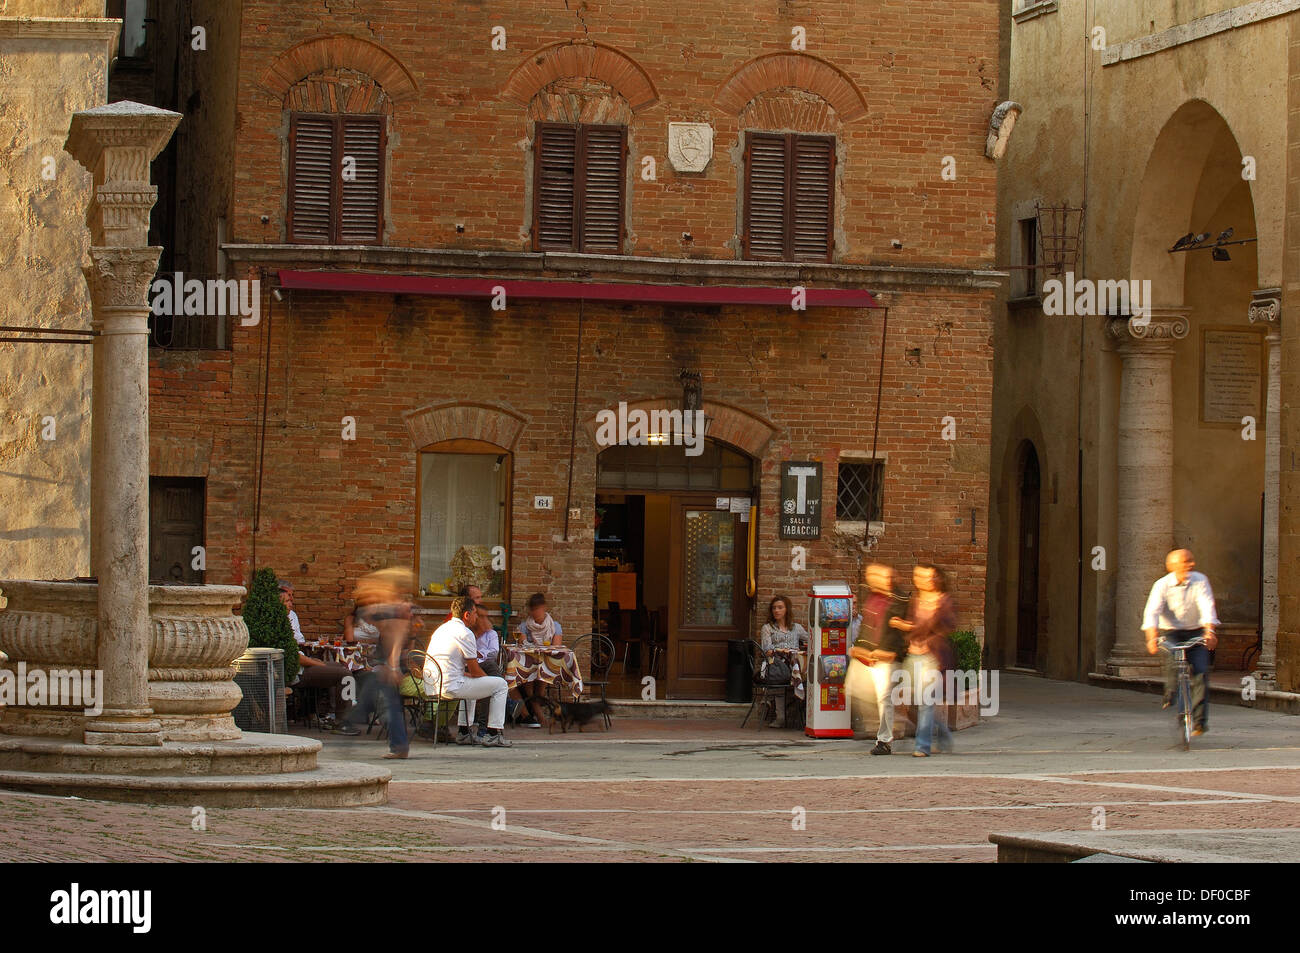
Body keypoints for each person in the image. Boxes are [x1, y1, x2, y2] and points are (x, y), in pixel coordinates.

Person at [1143, 548, 1218, 736]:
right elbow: (1152, 612)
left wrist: (1209, 632)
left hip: (1196, 631)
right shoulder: (1161, 585)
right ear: (1172, 566)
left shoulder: (1200, 580)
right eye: (1186, 562)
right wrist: (1151, 637)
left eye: (1191, 560)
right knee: (1174, 662)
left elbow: (1207, 606)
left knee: (1200, 673)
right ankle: (1170, 693)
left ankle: (1199, 722)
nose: (1191, 564)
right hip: (1172, 632)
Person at [344, 567, 416, 758]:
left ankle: (351, 726)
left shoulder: (398, 609)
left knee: (385, 703)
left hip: (389, 663)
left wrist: (392, 665)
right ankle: (398, 745)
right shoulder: (390, 607)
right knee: (384, 701)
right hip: (384, 662)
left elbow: (396, 638)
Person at [425, 596, 512, 747]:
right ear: (467, 615)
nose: (476, 617)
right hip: (450, 686)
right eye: (475, 613)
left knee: (473, 684)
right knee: (500, 685)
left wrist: (478, 680)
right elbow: (475, 670)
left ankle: (464, 732)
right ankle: (492, 734)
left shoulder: (441, 629)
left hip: (433, 684)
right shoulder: (465, 633)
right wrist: (487, 686)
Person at [892, 564, 957, 758]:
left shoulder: (944, 602)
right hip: (913, 655)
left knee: (925, 702)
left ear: (937, 579)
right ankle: (944, 736)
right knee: (914, 701)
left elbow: (948, 626)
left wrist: (914, 628)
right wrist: (905, 626)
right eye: (918, 576)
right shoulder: (916, 600)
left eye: (926, 576)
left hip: (931, 657)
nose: (920, 579)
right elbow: (913, 624)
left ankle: (922, 746)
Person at [280, 580, 359, 735]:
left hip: (302, 664)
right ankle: (343, 721)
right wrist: (317, 664)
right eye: (288, 600)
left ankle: (331, 712)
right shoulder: (279, 626)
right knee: (344, 674)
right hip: (296, 672)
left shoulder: (289, 618)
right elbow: (293, 657)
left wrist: (315, 661)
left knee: (341, 667)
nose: (292, 603)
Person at [848, 563, 906, 755]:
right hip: (870, 655)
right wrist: (861, 647)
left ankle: (884, 740)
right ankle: (868, 724)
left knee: (884, 697)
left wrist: (888, 652)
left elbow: (896, 633)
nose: (871, 579)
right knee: (855, 689)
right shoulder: (873, 598)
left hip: (886, 656)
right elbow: (867, 626)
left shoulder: (898, 600)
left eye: (876, 576)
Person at [758, 595, 808, 729]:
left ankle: (803, 716)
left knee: (810, 676)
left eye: (780, 607)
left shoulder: (796, 628)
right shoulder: (767, 628)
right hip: (775, 664)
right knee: (781, 677)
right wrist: (781, 650)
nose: (776, 611)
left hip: (795, 665)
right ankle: (780, 717)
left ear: (787, 610)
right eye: (774, 608)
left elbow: (811, 640)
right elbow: (767, 650)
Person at [515, 592, 562, 725]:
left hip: (546, 663)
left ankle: (536, 712)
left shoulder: (554, 626)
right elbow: (522, 644)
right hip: (528, 663)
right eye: (533, 609)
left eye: (538, 609)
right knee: (529, 676)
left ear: (544, 608)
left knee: (543, 673)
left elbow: (556, 647)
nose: (536, 612)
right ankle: (538, 714)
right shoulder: (524, 626)